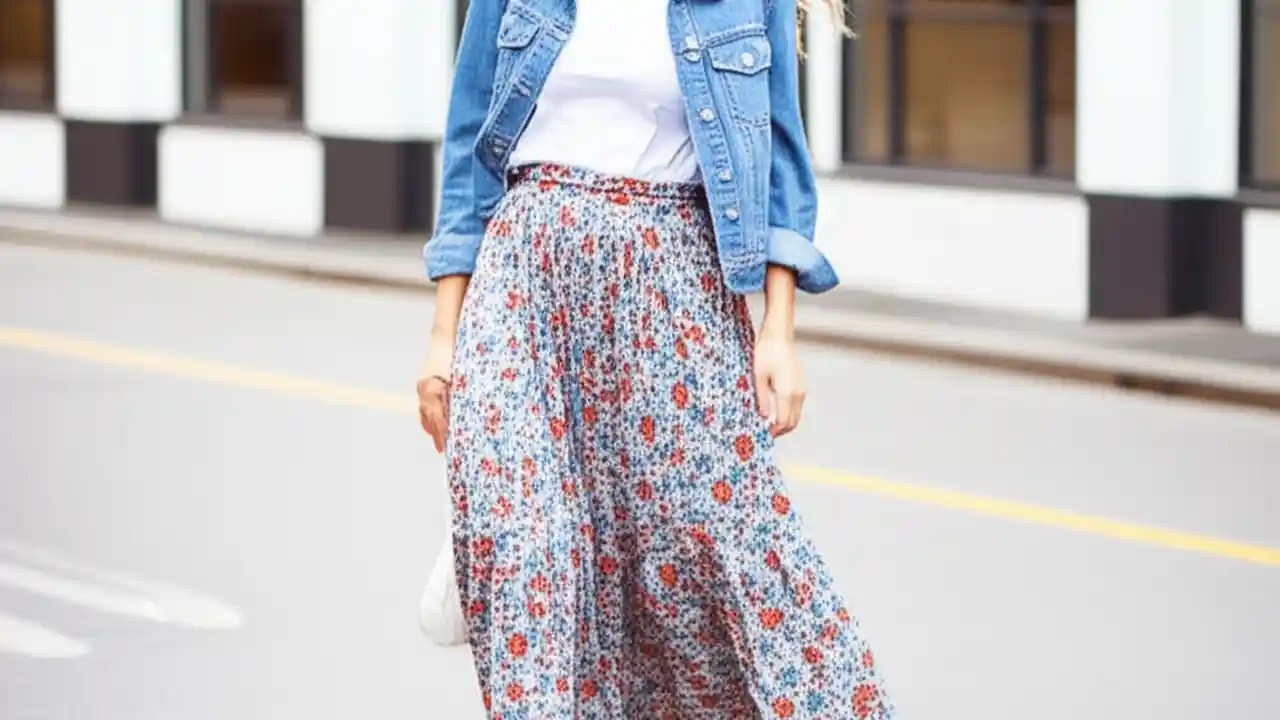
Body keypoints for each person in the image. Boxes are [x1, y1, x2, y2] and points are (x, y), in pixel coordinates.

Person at [416, 0, 895, 716]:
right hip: (521, 280)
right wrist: (443, 337)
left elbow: (781, 161)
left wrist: (778, 330)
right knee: (523, 544)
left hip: (674, 280)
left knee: (713, 542)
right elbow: (468, 144)